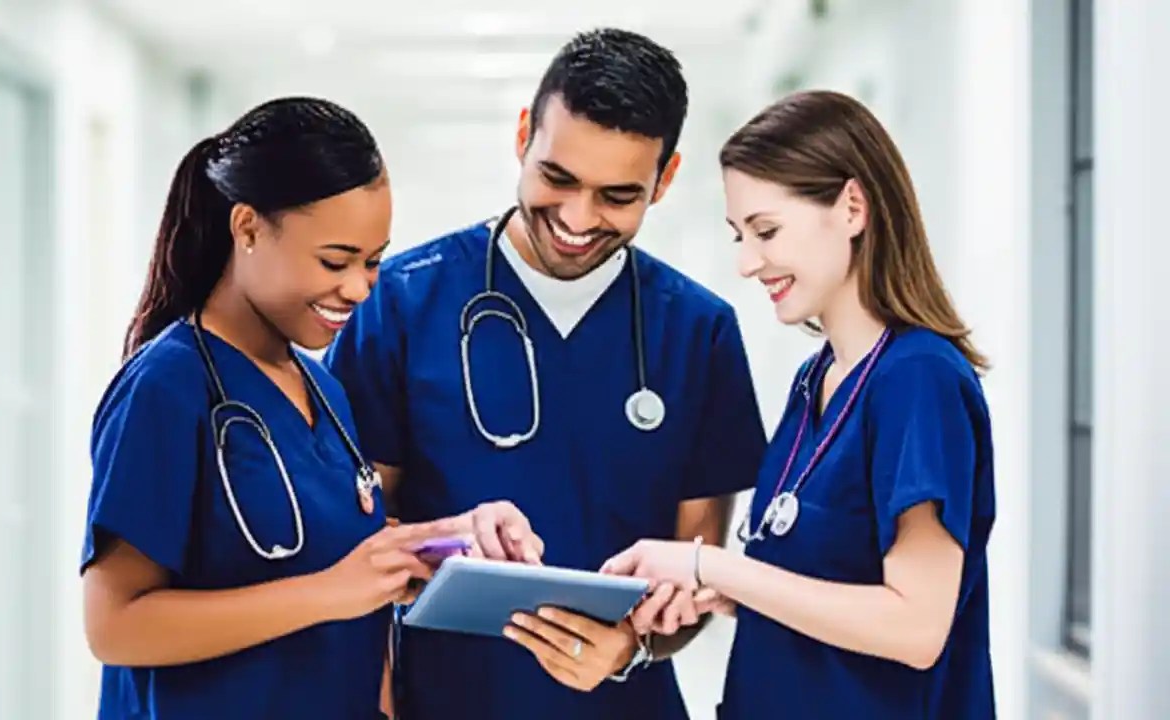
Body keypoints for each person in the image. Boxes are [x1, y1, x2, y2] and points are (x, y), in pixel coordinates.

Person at [324, 28, 768, 720]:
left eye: (618, 196)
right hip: (442, 701)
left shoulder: (698, 332)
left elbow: (697, 572)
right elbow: (355, 542)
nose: (576, 217)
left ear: (667, 178)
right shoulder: (402, 303)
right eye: (557, 178)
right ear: (525, 134)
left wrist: (631, 648)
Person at [78, 97, 541, 720]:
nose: (358, 288)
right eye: (335, 261)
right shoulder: (166, 388)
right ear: (246, 229)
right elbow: (115, 626)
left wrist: (442, 539)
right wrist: (329, 594)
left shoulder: (322, 388)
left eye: (373, 261)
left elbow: (335, 554)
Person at [601, 89, 998, 719]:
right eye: (738, 234)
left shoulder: (918, 381)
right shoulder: (816, 382)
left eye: (766, 231)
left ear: (852, 207)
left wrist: (715, 566)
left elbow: (915, 628)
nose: (747, 263)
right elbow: (824, 581)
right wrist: (715, 592)